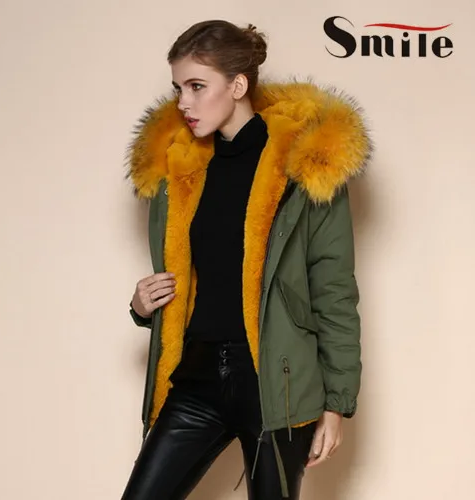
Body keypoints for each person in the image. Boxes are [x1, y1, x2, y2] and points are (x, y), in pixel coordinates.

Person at [121, 19, 371, 500]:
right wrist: (142, 306)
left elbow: (334, 292)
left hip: (276, 384)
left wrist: (337, 404)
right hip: (195, 380)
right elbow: (198, 281)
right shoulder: (181, 173)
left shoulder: (305, 169)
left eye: (197, 86)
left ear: (237, 86)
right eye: (178, 88)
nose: (183, 102)